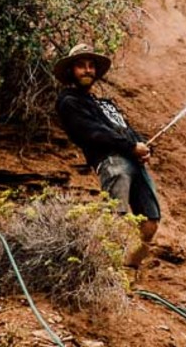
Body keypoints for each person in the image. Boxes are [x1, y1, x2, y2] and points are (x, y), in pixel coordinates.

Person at [54, 44, 160, 268]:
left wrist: (142, 147)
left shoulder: (105, 103)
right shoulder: (68, 101)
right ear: (71, 71)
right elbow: (95, 133)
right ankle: (107, 273)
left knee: (151, 221)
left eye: (91, 66)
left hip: (134, 161)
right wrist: (131, 147)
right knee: (115, 217)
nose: (88, 70)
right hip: (113, 162)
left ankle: (129, 269)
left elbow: (125, 128)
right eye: (81, 66)